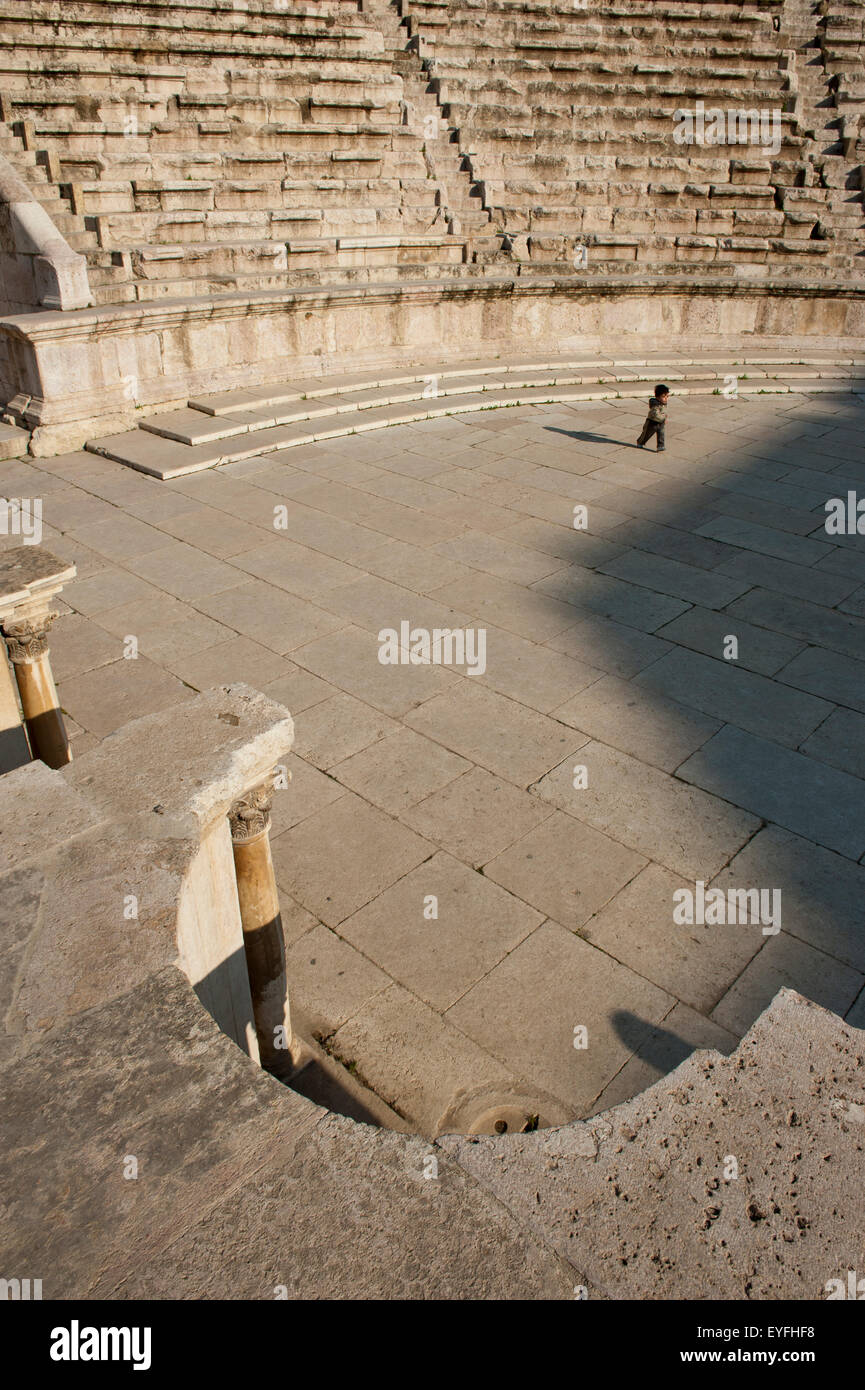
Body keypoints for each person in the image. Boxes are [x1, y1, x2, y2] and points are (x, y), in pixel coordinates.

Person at [637, 384, 669, 451]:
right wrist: (662, 418)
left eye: (667, 396)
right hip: (652, 422)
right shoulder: (655, 405)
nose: (666, 398)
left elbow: (664, 412)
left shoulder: (663, 404)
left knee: (661, 434)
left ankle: (660, 446)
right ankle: (640, 441)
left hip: (661, 422)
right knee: (647, 434)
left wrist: (665, 418)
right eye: (663, 396)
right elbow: (655, 414)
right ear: (657, 397)